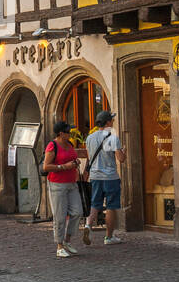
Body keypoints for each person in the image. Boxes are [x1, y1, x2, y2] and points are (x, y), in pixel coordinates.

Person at [42, 121, 83, 258]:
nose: (70, 134)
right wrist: (63, 167)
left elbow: (73, 158)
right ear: (61, 133)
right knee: (59, 216)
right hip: (57, 185)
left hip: (72, 184)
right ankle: (59, 246)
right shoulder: (52, 146)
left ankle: (67, 241)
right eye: (68, 132)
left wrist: (76, 162)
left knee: (77, 212)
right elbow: (46, 167)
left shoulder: (70, 144)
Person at [84, 109, 125, 245]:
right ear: (108, 122)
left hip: (95, 176)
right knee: (111, 207)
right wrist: (123, 151)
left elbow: (89, 158)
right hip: (110, 177)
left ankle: (88, 226)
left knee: (95, 204)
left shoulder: (89, 138)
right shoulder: (112, 137)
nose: (113, 121)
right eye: (111, 119)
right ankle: (109, 237)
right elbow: (121, 159)